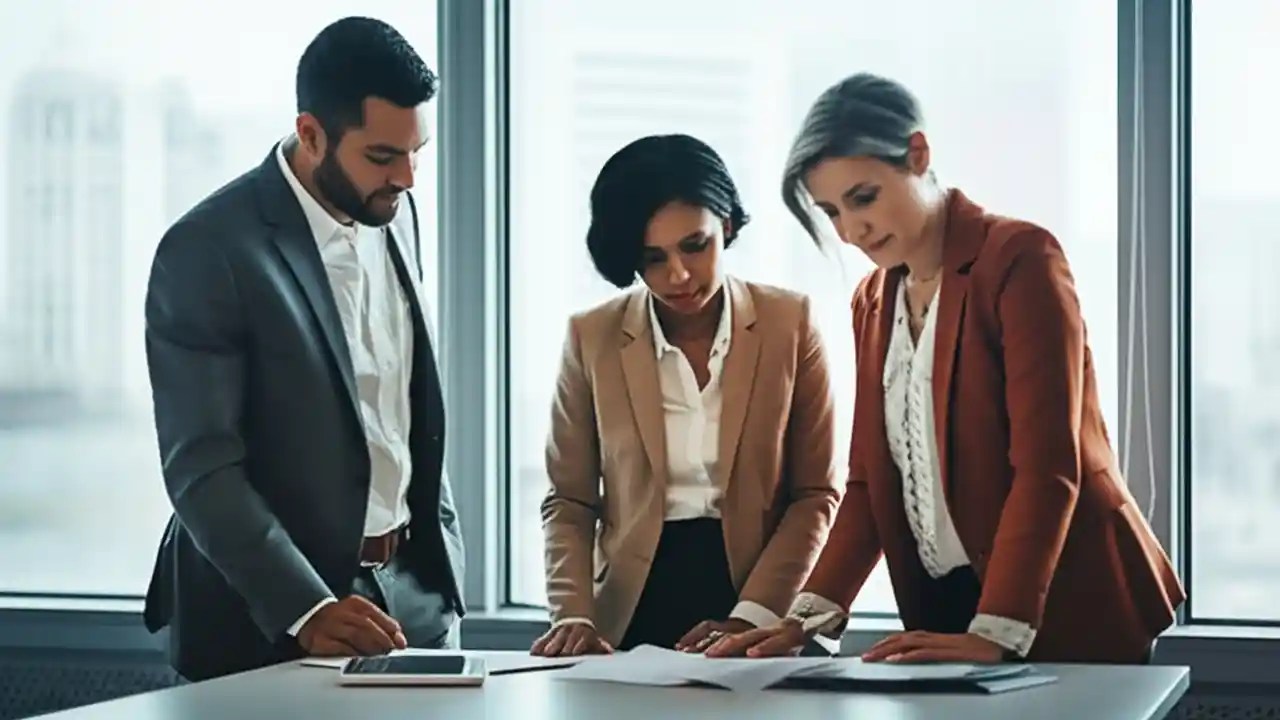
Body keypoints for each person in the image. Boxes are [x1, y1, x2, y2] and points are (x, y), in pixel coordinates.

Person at [707, 73, 1184, 664]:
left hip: (1070, 596)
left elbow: (1048, 464)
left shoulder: (1019, 258)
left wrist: (997, 631)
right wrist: (805, 619)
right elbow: (868, 483)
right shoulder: (872, 301)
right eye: (831, 211)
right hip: (948, 610)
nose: (851, 230)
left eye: (864, 197)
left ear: (918, 155)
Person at [142, 17, 464, 681]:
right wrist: (306, 606)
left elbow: (397, 408)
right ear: (312, 133)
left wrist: (440, 573)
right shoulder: (207, 250)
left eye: (416, 152)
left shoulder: (396, 213)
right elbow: (202, 467)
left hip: (411, 600)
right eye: (382, 156)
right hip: (268, 620)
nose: (407, 178)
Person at [531, 134, 843, 657]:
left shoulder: (790, 323)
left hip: (762, 596)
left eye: (694, 246)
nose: (677, 275)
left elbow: (815, 494)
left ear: (726, 225)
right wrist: (575, 615)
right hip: (630, 607)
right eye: (652, 258)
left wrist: (753, 615)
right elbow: (570, 499)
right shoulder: (592, 336)